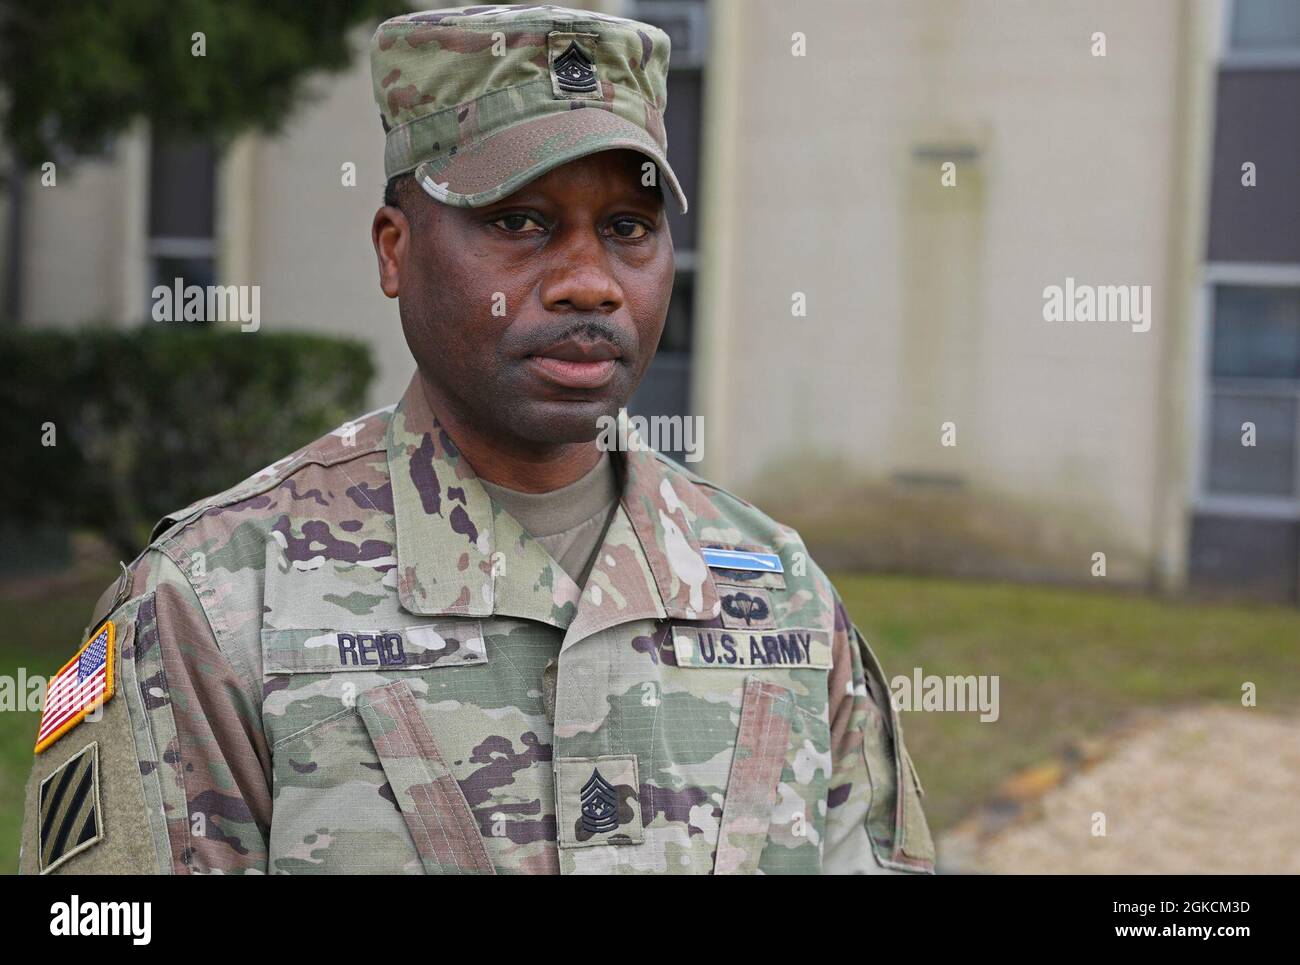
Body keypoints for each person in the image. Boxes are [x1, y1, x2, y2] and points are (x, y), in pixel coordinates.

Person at [20, 4, 934, 875]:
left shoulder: (782, 599)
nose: (590, 283)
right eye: (519, 222)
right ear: (395, 248)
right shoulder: (214, 604)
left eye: (628, 228)